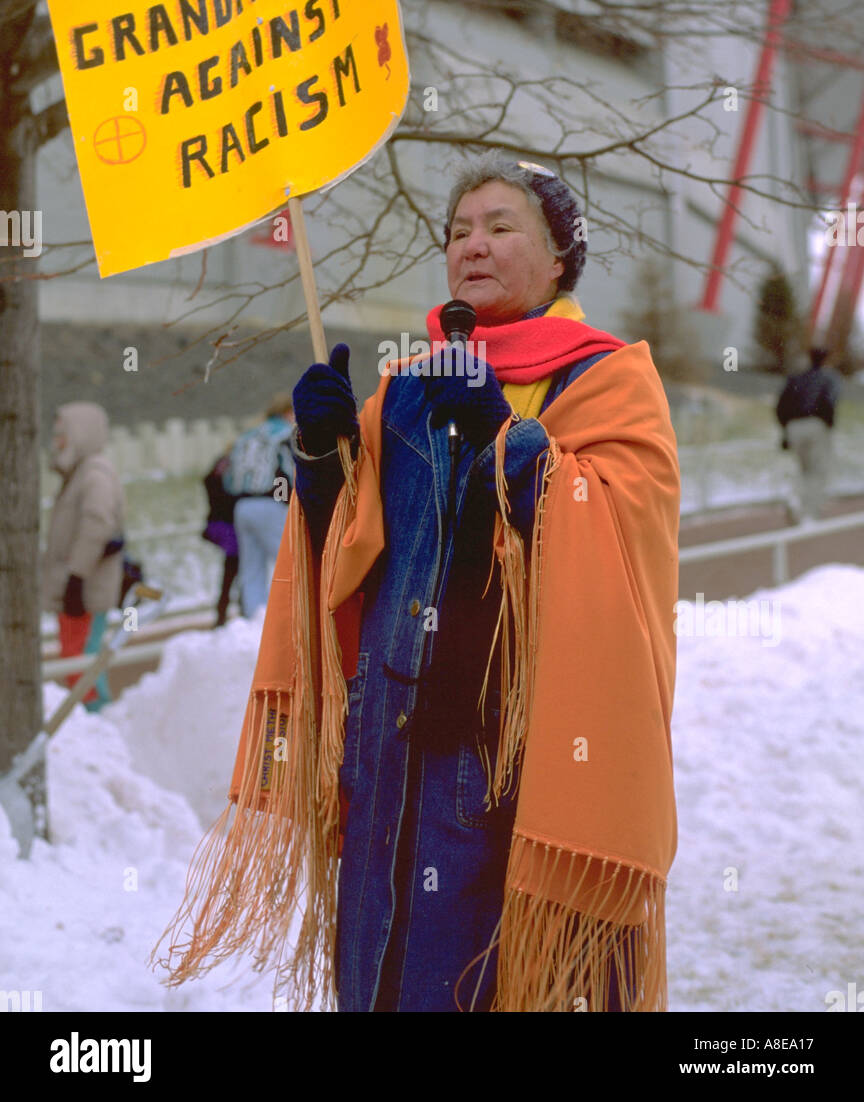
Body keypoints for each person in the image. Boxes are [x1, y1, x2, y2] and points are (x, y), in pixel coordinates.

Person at [159, 153, 680, 1013]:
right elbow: (349, 558)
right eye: (457, 230)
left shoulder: (610, 379)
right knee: (387, 978)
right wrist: (323, 460)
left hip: (515, 760)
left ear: (560, 258)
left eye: (501, 226)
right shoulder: (406, 388)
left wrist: (512, 445)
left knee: (497, 981)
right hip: (391, 754)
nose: (472, 243)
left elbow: (621, 543)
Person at [43, 402, 125, 713]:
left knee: (83, 665)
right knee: (75, 660)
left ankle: (99, 723)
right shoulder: (79, 473)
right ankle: (91, 723)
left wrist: (76, 577)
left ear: (80, 434)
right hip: (75, 588)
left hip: (85, 589)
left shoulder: (94, 473)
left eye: (62, 435)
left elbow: (97, 524)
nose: (57, 442)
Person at [228, 393, 295, 617]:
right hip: (271, 503)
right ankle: (289, 617)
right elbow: (291, 470)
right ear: (288, 413)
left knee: (251, 568)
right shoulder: (285, 434)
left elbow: (229, 476)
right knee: (289, 563)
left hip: (242, 505)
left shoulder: (247, 436)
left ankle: (253, 619)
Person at [776, 346, 838, 523]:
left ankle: (794, 498)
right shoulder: (828, 379)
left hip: (793, 426)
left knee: (803, 469)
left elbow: (781, 405)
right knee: (816, 471)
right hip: (816, 424)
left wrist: (785, 429)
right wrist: (828, 426)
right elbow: (829, 402)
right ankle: (809, 515)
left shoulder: (796, 378)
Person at [201, 450, 240, 627]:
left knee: (231, 571)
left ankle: (222, 615)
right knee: (234, 570)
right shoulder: (231, 473)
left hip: (218, 527)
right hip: (229, 529)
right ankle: (232, 614)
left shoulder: (216, 472)